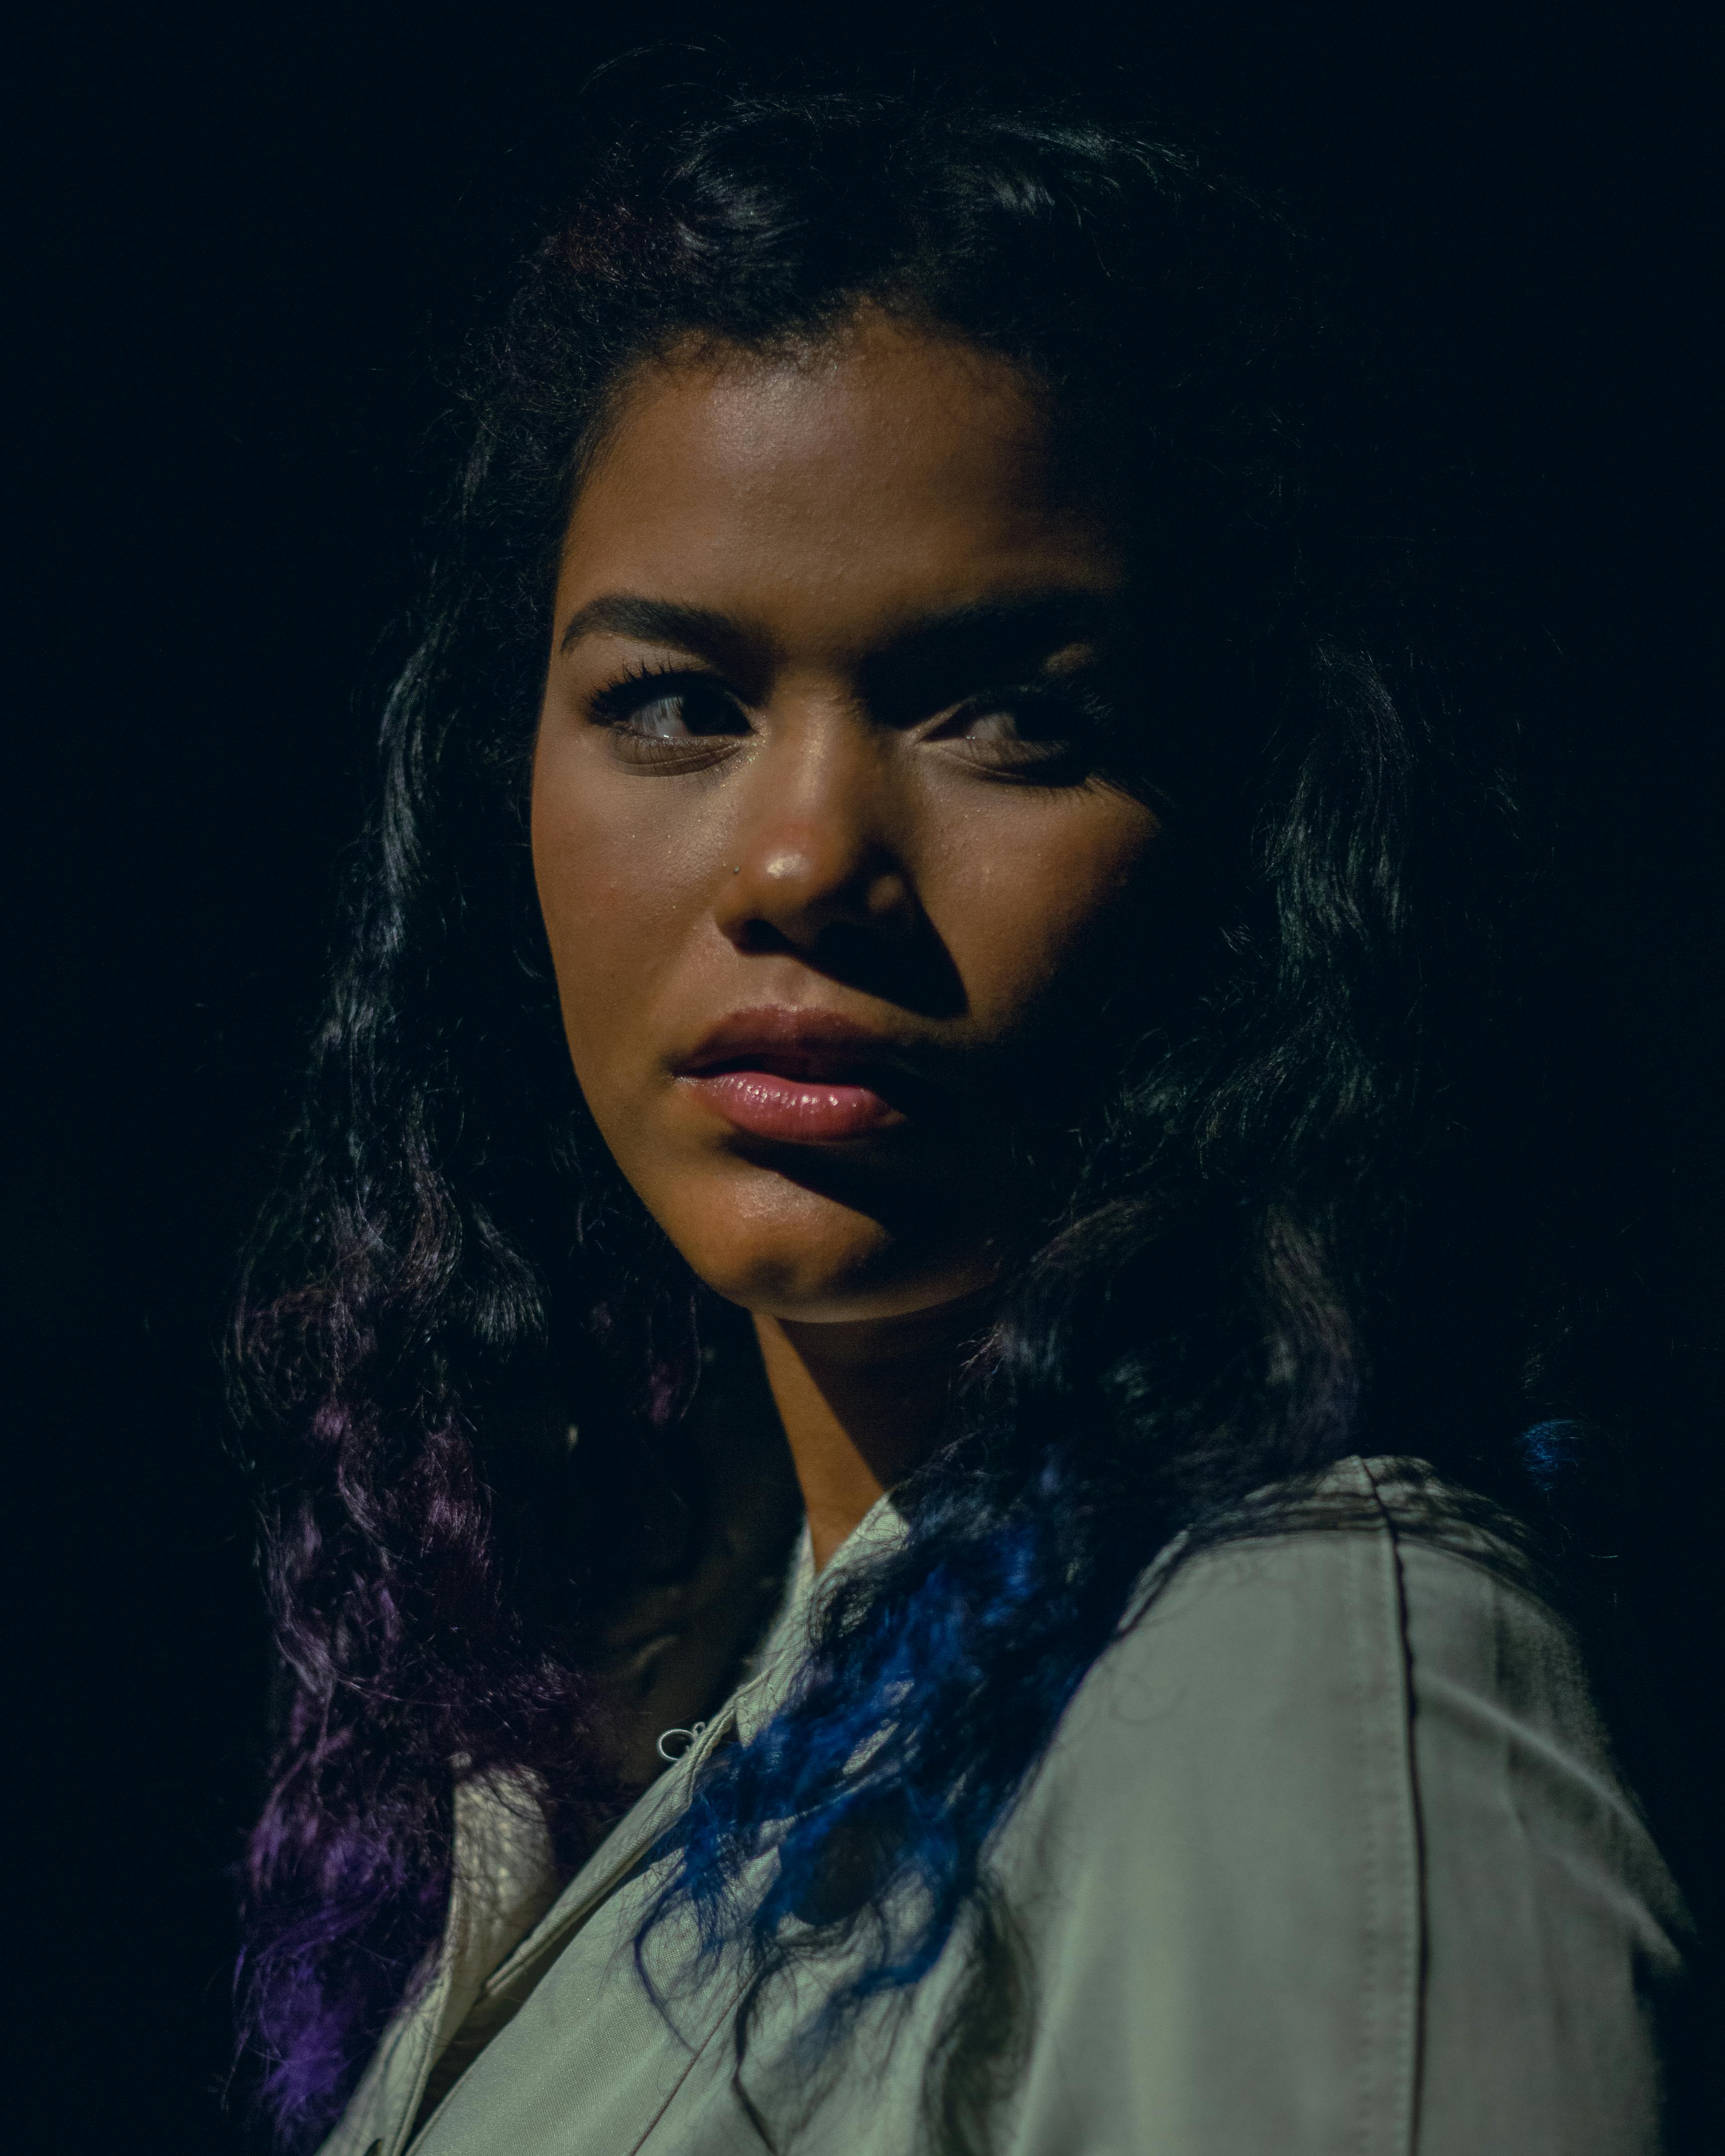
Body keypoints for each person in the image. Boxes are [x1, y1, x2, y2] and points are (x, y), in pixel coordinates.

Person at [233, 76, 1693, 2156]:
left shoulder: (1303, 1676)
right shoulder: (658, 1669)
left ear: (1264, 841)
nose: (807, 858)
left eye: (1006, 712)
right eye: (679, 703)